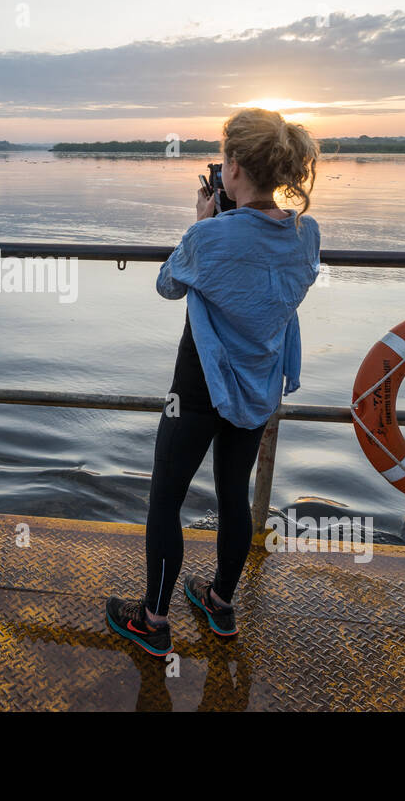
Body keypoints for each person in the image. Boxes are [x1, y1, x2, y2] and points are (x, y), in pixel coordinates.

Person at [106, 108, 321, 657]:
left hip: (198, 384)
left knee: (166, 498)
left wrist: (202, 225)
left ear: (233, 168)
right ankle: (221, 602)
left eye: (225, 159)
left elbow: (167, 285)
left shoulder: (211, 237)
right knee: (234, 497)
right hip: (259, 383)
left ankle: (152, 621)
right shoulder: (306, 234)